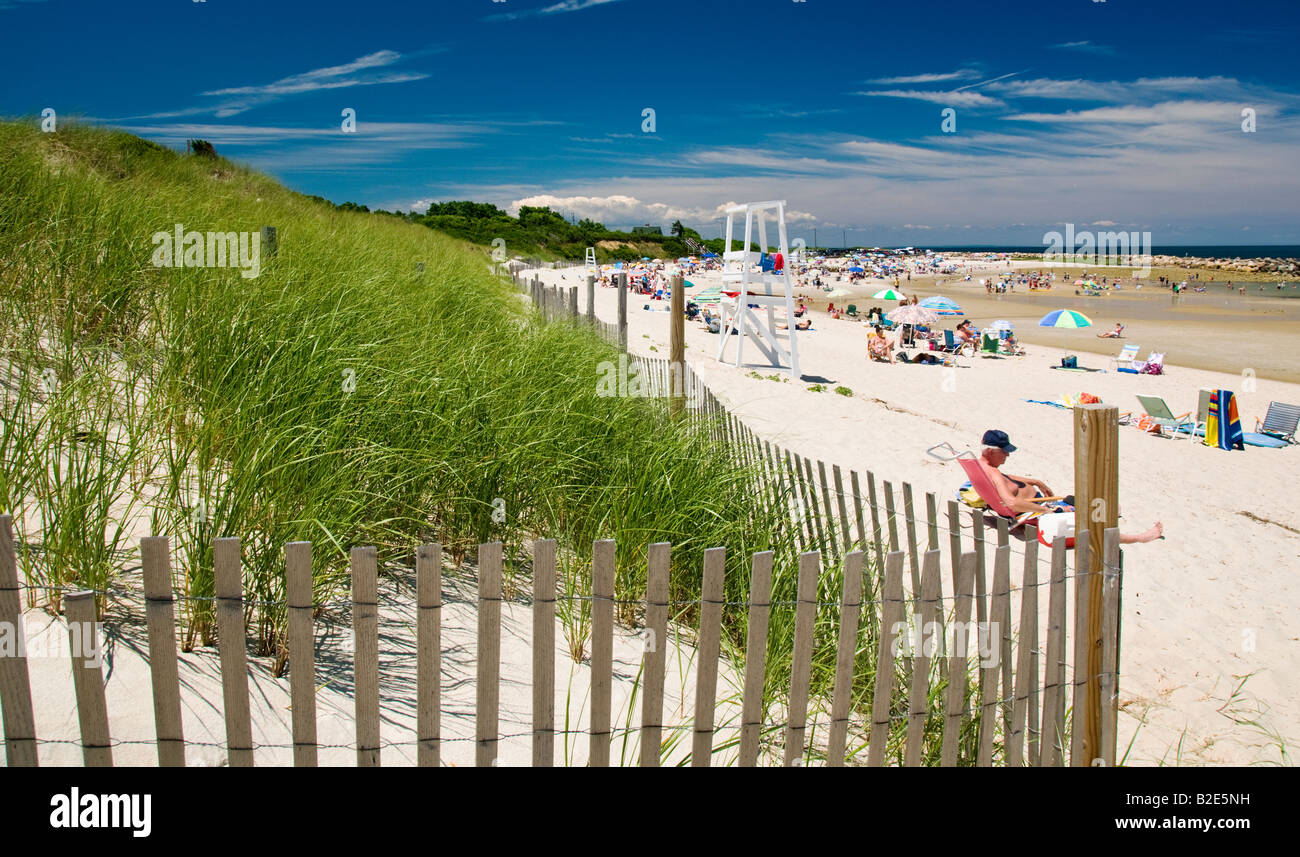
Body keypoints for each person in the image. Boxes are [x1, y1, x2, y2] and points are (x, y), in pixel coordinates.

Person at [977, 430, 1163, 542]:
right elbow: (1011, 503)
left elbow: (1004, 479)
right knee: (1093, 526)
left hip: (1038, 506)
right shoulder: (992, 472)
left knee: (1095, 504)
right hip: (1036, 512)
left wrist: (1035, 481)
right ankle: (1139, 538)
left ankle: (1110, 512)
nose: (1007, 456)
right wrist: (1043, 509)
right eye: (1004, 452)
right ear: (990, 451)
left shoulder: (983, 467)